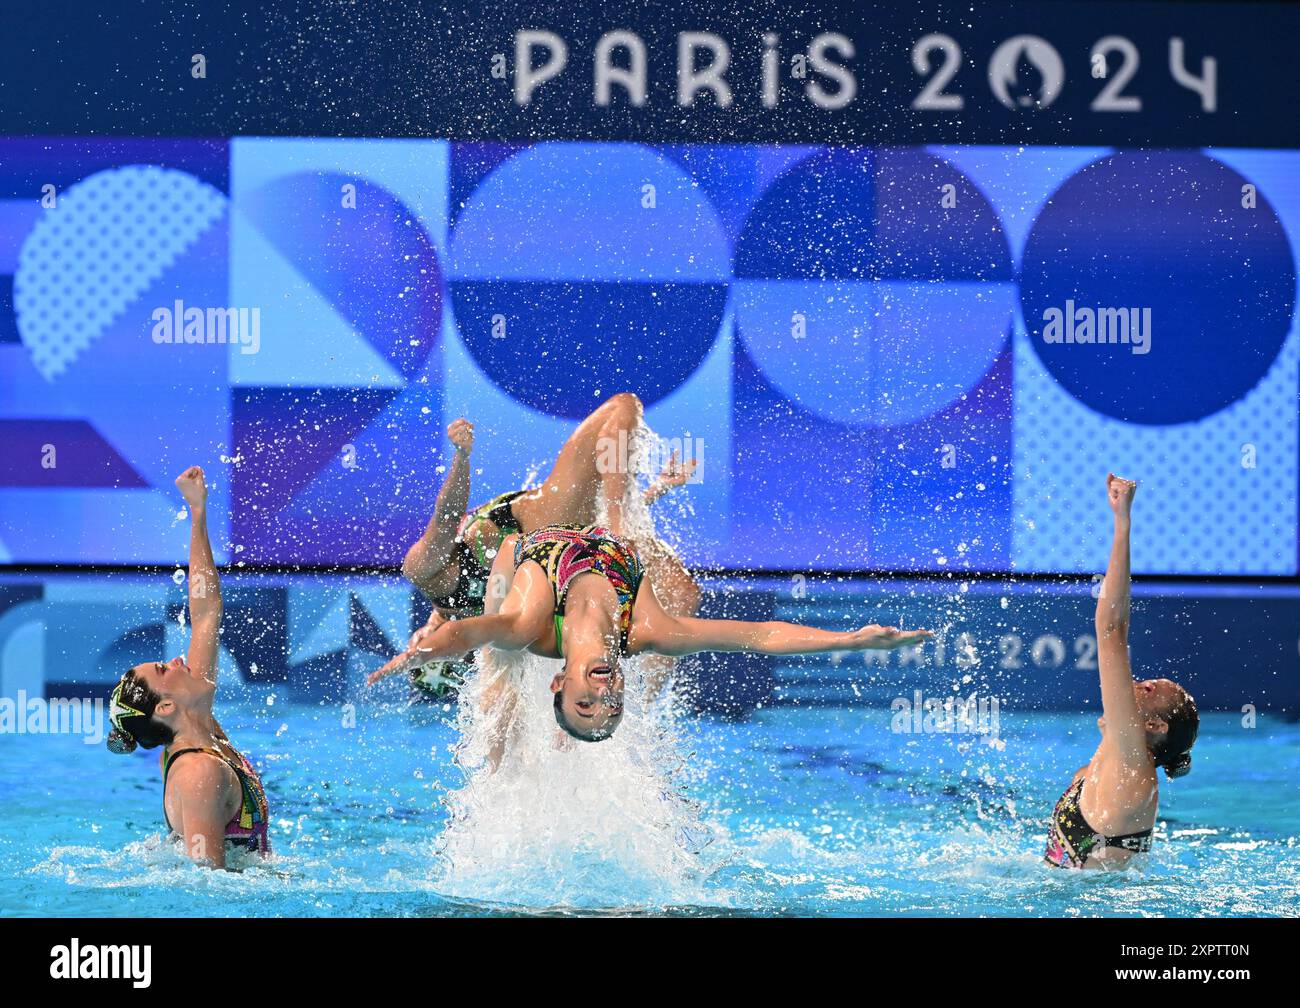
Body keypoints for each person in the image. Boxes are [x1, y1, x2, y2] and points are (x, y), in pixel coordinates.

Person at [371, 522, 933, 741]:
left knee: (497, 639)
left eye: (583, 706)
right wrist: (850, 640)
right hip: (600, 536)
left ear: (559, 683)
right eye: (609, 707)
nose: (601, 696)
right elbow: (757, 635)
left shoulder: (535, 629)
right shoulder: (648, 631)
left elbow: (474, 629)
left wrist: (426, 650)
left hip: (512, 545)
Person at [399, 393, 699, 695]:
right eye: (428, 650)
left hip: (547, 531)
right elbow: (449, 518)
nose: (422, 643)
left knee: (679, 589)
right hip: (552, 544)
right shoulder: (487, 627)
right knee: (623, 407)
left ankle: (645, 707)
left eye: (418, 648)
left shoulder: (430, 576)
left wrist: (462, 458)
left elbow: (446, 516)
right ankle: (643, 706)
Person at [106, 466, 271, 868]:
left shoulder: (200, 726)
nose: (179, 660)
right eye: (165, 669)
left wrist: (198, 513)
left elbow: (206, 611)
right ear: (165, 706)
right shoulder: (198, 771)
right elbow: (207, 886)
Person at [1044, 474, 1198, 870]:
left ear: (1156, 725)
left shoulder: (1132, 765)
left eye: (1147, 690)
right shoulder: (1107, 766)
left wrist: (1122, 521)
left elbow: (1111, 629)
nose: (1132, 682)